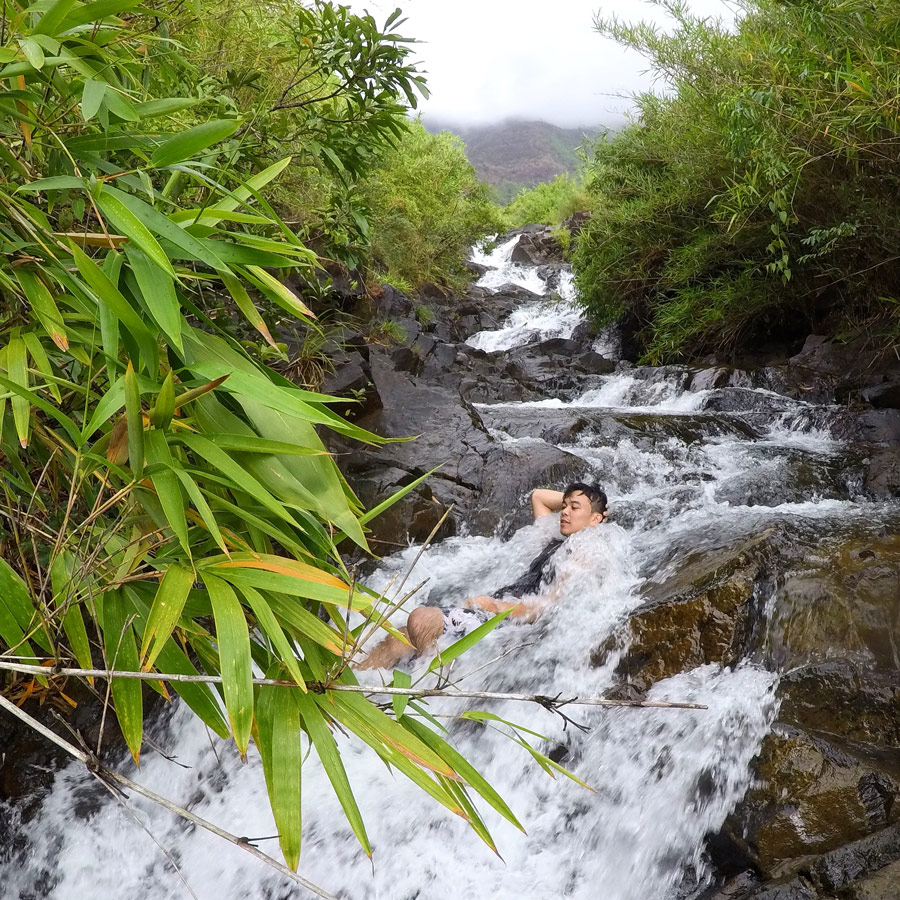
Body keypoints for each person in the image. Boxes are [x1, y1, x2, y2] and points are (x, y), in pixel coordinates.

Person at [356, 483, 609, 670]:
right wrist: (583, 502)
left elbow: (548, 606)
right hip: (489, 612)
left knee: (421, 619)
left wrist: (498, 607)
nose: (564, 511)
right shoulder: (554, 538)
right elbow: (539, 497)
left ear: (596, 519)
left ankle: (436, 684)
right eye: (564, 506)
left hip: (503, 624)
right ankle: (351, 684)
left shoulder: (583, 552)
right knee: (398, 637)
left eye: (574, 508)